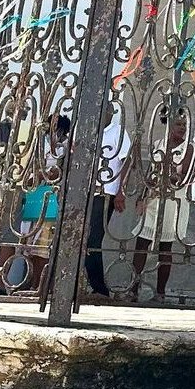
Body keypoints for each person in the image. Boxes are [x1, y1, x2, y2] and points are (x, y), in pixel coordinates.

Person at [130, 105, 194, 301]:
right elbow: (150, 173)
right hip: (153, 198)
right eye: (177, 124)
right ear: (168, 125)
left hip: (173, 202)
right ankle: (134, 288)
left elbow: (181, 178)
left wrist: (168, 171)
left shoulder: (188, 148)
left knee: (166, 247)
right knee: (142, 242)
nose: (181, 128)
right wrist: (142, 197)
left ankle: (160, 293)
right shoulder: (158, 143)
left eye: (184, 124)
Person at [18, 112, 71, 293]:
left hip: (52, 197)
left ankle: (41, 286)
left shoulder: (65, 146)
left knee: (43, 244)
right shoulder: (40, 144)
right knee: (31, 242)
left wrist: (43, 174)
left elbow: (60, 171)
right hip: (36, 195)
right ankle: (32, 282)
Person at [83, 111, 133, 299]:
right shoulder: (89, 127)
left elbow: (127, 161)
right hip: (85, 191)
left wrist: (120, 191)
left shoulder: (117, 132)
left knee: (93, 239)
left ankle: (99, 289)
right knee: (81, 238)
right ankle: (84, 284)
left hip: (106, 192)